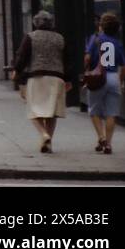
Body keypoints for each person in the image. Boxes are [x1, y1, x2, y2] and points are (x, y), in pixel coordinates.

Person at [13, 10, 74, 153]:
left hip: (37, 77)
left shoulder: (30, 37)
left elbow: (22, 57)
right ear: (52, 23)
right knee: (52, 112)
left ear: (35, 23)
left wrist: (17, 72)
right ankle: (48, 143)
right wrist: (69, 79)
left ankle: (43, 134)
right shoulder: (60, 38)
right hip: (57, 77)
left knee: (34, 110)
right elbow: (67, 60)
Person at [85, 12, 125, 155]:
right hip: (113, 76)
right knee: (111, 113)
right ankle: (108, 144)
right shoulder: (118, 43)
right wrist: (120, 81)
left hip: (98, 77)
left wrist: (88, 69)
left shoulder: (96, 39)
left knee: (94, 110)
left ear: (101, 26)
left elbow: (87, 57)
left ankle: (101, 137)